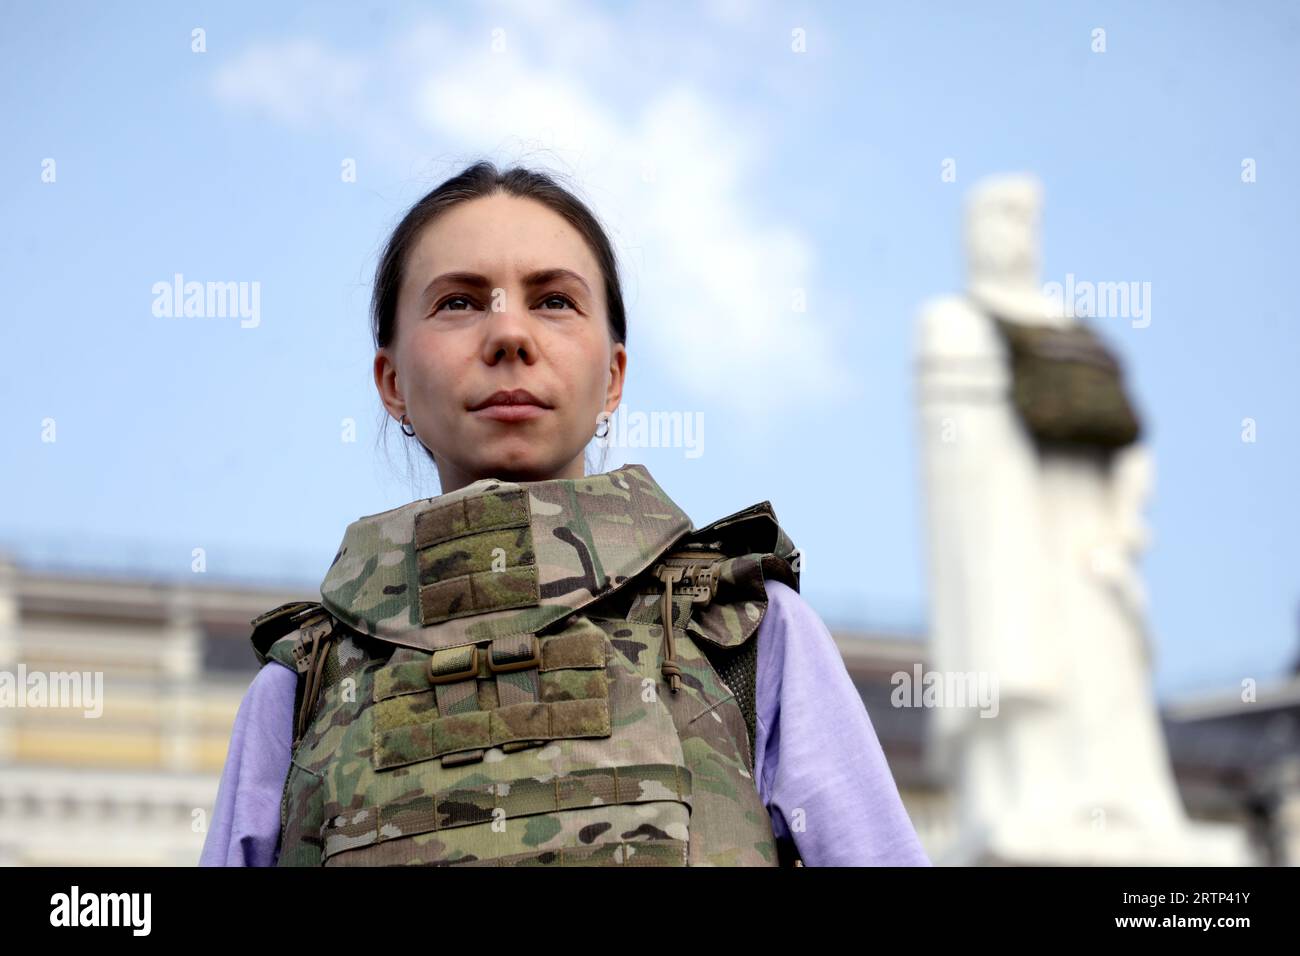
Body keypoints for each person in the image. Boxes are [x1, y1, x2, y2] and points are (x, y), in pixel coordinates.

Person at [199, 161, 930, 868]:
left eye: (553, 300)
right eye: (458, 301)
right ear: (391, 382)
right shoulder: (301, 691)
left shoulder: (747, 636)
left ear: (612, 378)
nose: (509, 336)